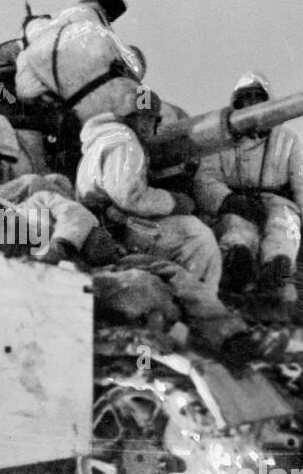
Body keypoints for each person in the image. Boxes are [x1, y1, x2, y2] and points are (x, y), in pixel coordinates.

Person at [75, 91, 282, 364]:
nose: (150, 127)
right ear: (134, 118)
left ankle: (201, 316)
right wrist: (175, 201)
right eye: (147, 120)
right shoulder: (124, 142)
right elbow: (130, 196)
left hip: (108, 226)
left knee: (184, 249)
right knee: (196, 235)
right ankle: (203, 320)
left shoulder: (103, 139)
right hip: (119, 228)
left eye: (152, 121)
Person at [193, 72, 303, 313]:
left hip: (276, 201)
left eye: (258, 98)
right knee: (236, 229)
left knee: (285, 225)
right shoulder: (220, 139)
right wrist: (228, 200)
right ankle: (238, 266)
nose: (252, 104)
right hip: (236, 202)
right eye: (246, 99)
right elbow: (205, 178)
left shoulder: (287, 139)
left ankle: (276, 271)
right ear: (237, 104)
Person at [14, 0, 142, 176]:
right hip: (120, 103)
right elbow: (129, 66)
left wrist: (51, 96)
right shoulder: (93, 25)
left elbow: (26, 91)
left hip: (75, 117)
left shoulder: (28, 53)